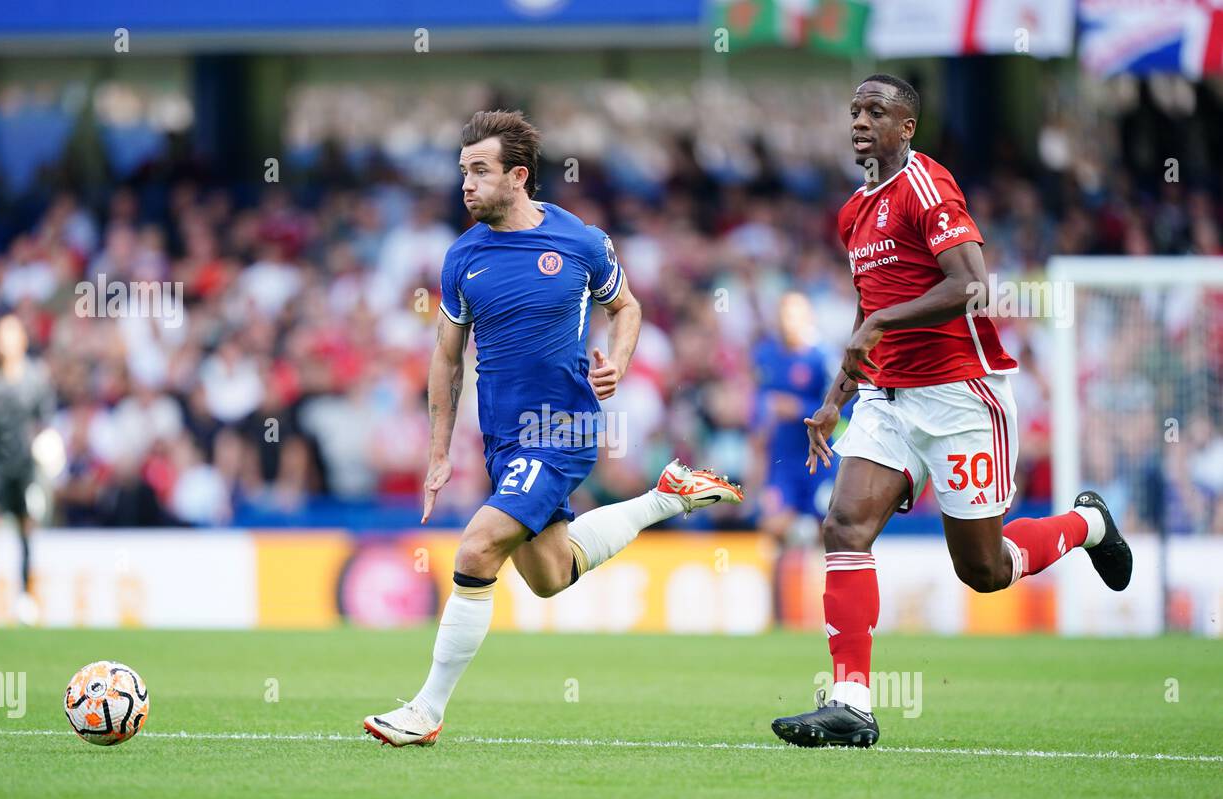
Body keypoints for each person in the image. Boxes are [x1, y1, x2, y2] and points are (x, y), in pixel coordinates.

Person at [770, 76, 1133, 748]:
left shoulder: (927, 187)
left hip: (960, 394)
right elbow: (867, 308)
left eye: (875, 112)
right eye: (853, 111)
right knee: (844, 526)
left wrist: (878, 323)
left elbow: (970, 285)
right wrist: (833, 400)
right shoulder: (854, 211)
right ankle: (851, 702)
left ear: (906, 127)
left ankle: (1085, 523)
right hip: (885, 398)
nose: (859, 122)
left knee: (984, 571)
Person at [364, 110, 743, 747]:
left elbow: (627, 308)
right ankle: (666, 495)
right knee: (548, 575)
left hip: (562, 427)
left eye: (480, 171)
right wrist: (437, 452)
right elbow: (445, 358)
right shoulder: (461, 258)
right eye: (462, 172)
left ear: (518, 177)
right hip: (506, 439)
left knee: (477, 547)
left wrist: (618, 362)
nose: (467, 184)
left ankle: (425, 711)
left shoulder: (580, 243)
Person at [0, 315, 55, 625]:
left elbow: (45, 421)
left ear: (22, 340)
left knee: (26, 529)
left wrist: (47, 447)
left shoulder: (35, 380)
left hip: (25, 464)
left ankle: (27, 597)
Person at [753, 292, 832, 545]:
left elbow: (844, 411)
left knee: (829, 528)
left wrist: (798, 409)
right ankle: (782, 581)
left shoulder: (823, 359)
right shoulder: (765, 355)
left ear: (808, 318)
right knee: (772, 525)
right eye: (784, 315)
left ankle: (820, 581)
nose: (788, 322)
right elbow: (758, 401)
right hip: (782, 462)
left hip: (819, 460)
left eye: (794, 316)